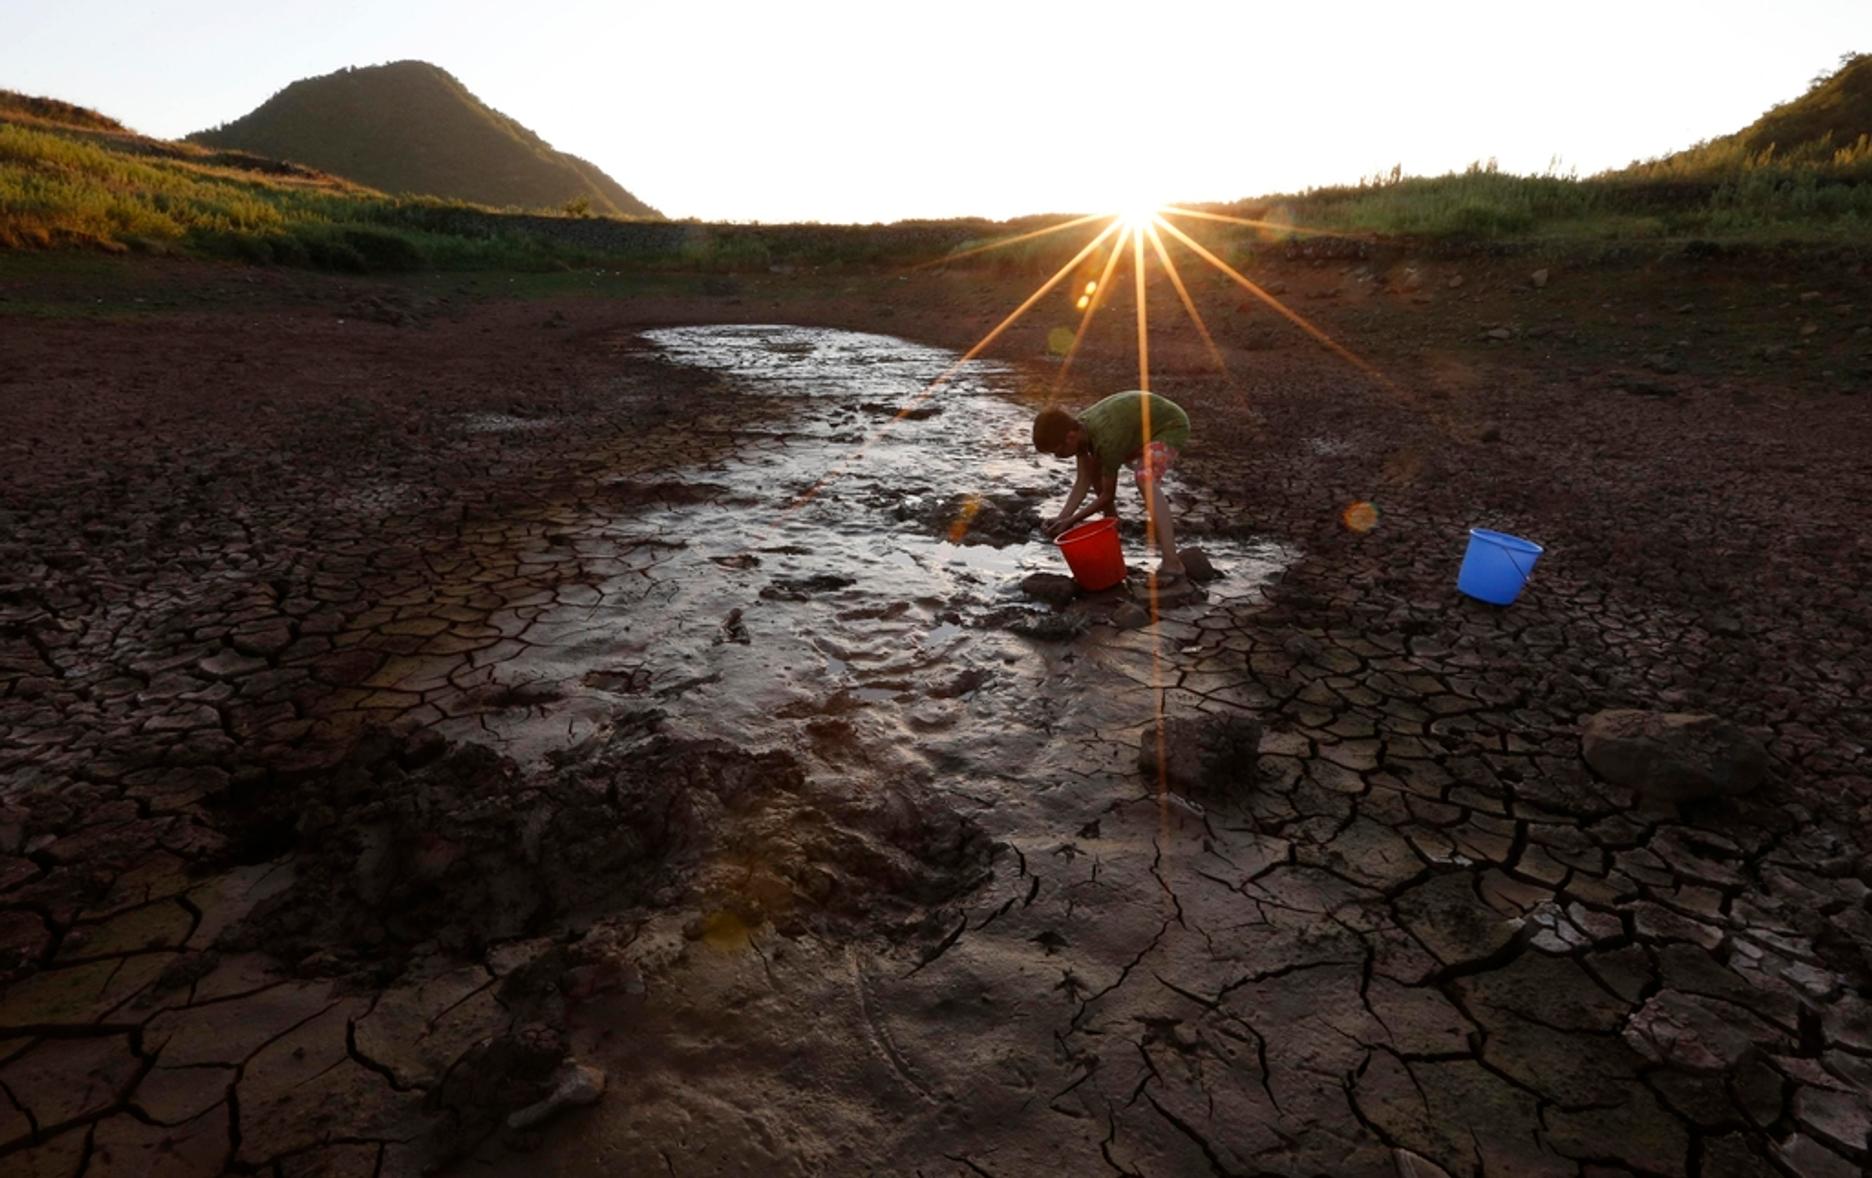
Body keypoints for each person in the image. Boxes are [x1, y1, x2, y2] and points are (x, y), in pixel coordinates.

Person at [1032, 390, 1191, 583]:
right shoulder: (1082, 432)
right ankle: (1113, 524)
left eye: (1058, 452)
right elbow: (1084, 480)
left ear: (1070, 437)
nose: (1058, 457)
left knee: (1143, 478)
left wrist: (1072, 520)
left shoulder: (1107, 440)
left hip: (1169, 426)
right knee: (1096, 469)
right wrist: (1062, 518)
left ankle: (1172, 562)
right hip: (1136, 429)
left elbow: (1108, 496)